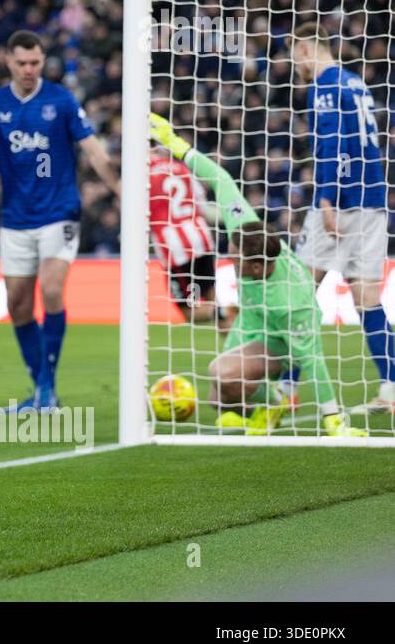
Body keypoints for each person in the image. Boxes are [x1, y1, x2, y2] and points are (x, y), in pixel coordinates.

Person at [150, 113, 367, 438]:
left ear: (256, 266)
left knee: (219, 369)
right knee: (217, 400)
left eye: (237, 257)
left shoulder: (291, 299)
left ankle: (275, 398)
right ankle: (260, 403)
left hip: (279, 341)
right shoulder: (245, 226)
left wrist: (332, 418)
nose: (231, 256)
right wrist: (176, 144)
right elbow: (220, 177)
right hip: (249, 321)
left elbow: (314, 361)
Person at [0, 30, 120, 410]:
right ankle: (42, 389)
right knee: (17, 303)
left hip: (59, 211)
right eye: (22, 63)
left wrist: (121, 189)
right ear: (8, 61)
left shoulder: (61, 100)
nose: (29, 69)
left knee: (50, 288)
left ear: (43, 62)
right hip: (15, 219)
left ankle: (46, 388)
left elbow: (94, 152)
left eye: (35, 63)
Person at [290, 24, 393, 415]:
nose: (294, 64)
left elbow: (332, 146)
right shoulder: (356, 83)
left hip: (342, 202)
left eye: (294, 55)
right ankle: (392, 386)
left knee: (297, 293)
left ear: (304, 49)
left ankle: (287, 386)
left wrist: (327, 200)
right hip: (373, 199)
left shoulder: (325, 86)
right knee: (367, 299)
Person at [149, 144, 229, 326]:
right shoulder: (181, 169)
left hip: (175, 248)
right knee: (210, 296)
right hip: (201, 238)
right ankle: (233, 347)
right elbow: (205, 210)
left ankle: (227, 310)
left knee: (188, 312)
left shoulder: (142, 174)